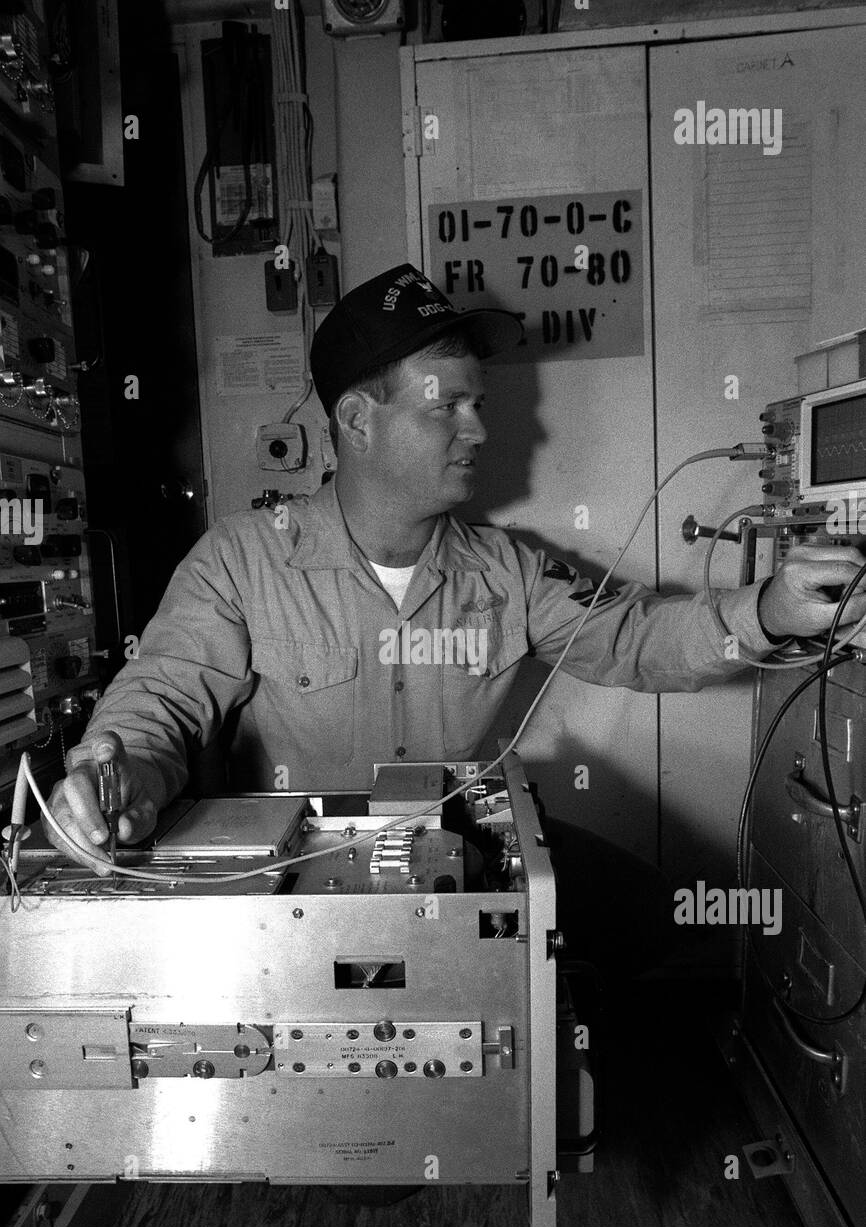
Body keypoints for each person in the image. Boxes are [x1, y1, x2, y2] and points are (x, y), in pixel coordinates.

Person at [42, 263, 866, 973]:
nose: (483, 429)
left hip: (451, 862)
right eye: (450, 405)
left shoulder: (506, 569)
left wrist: (767, 608)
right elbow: (162, 701)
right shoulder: (242, 561)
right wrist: (117, 779)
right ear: (358, 421)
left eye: (480, 403)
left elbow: (634, 640)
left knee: (663, 916)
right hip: (291, 898)